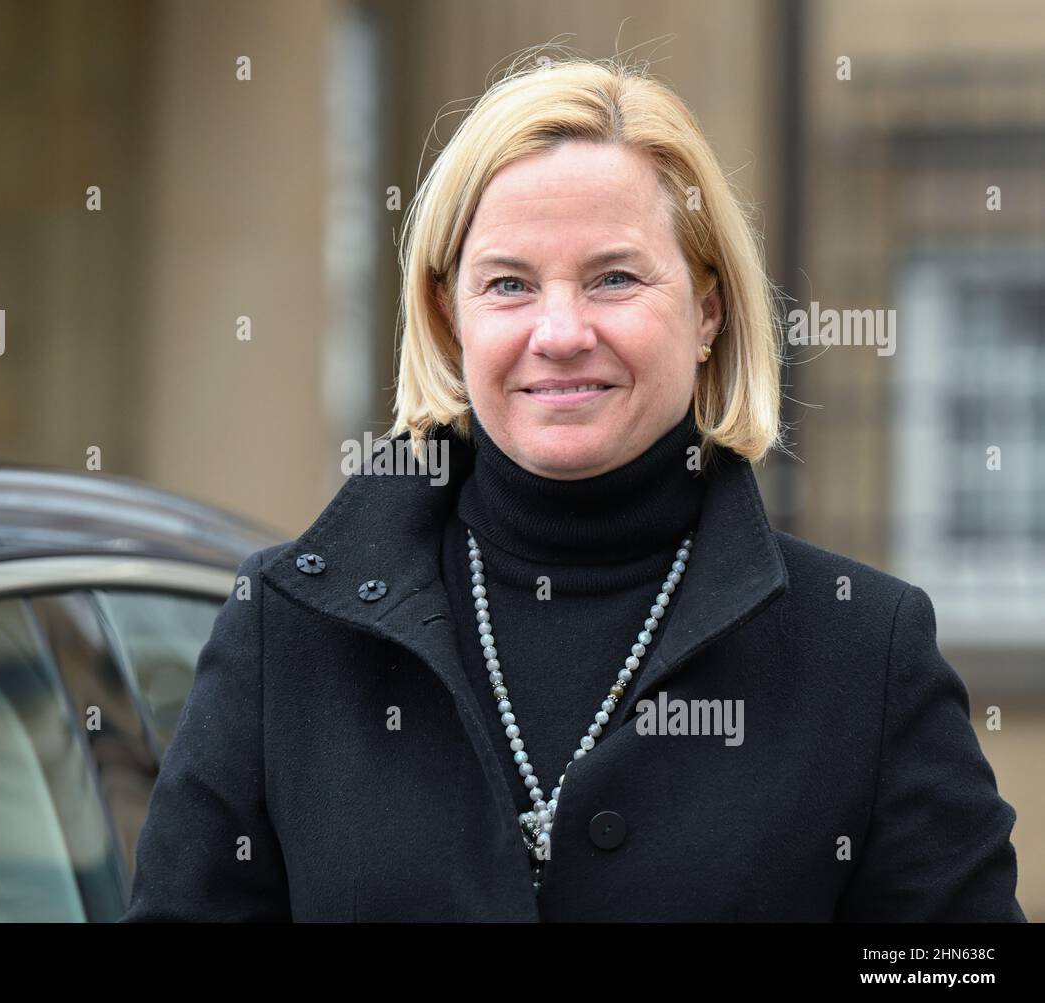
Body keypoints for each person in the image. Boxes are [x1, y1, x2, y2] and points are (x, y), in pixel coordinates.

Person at [121, 57, 1026, 922]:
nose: (559, 332)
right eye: (509, 284)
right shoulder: (290, 629)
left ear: (707, 311)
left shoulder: (864, 650)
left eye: (615, 279)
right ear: (450, 317)